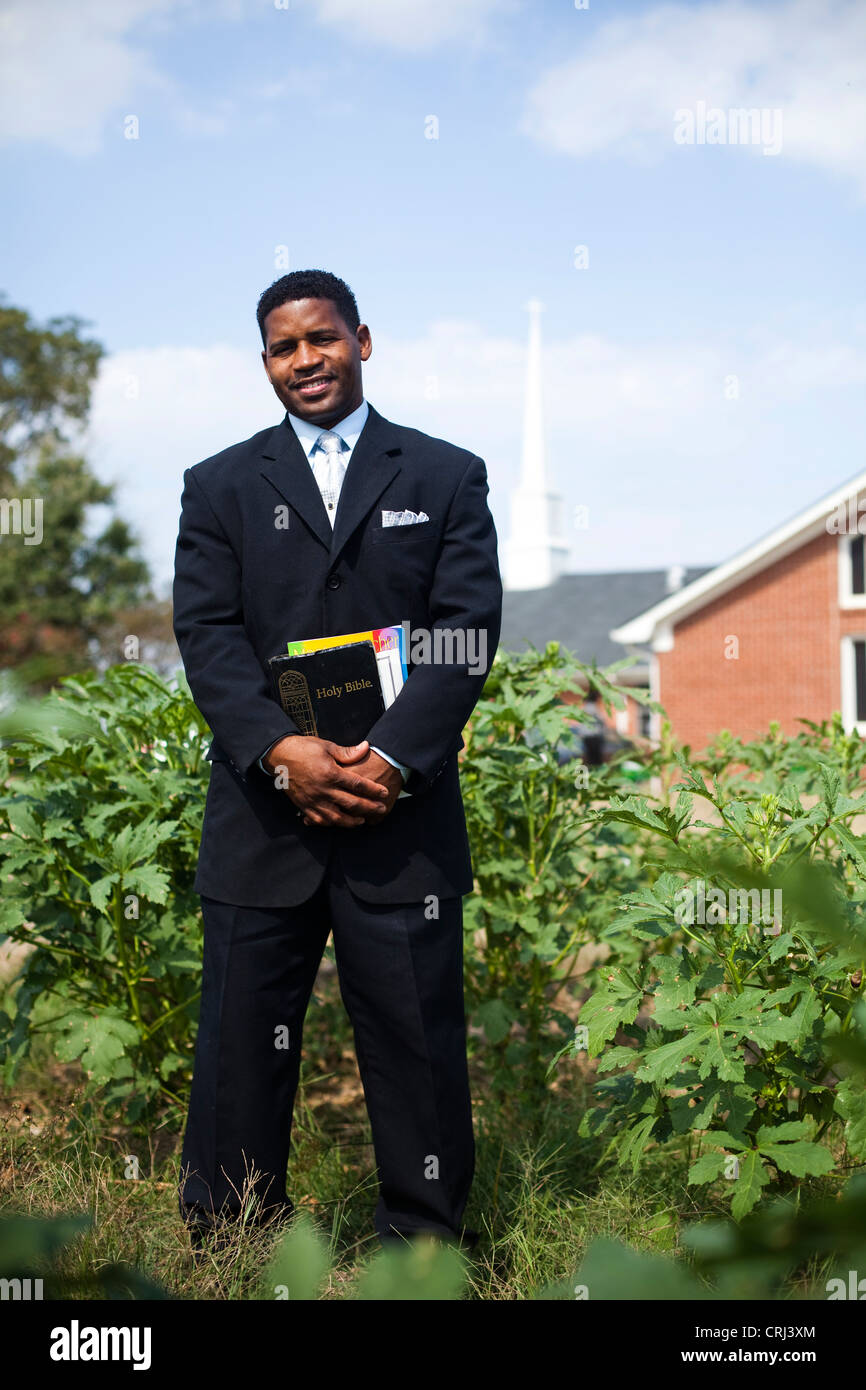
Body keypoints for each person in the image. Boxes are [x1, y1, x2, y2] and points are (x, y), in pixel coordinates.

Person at [171, 269, 503, 1251]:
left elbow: (463, 631)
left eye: (321, 338)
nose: (304, 360)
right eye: (283, 346)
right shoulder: (219, 485)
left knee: (416, 1046)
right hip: (261, 815)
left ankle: (424, 1247)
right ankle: (233, 1243)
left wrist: (391, 757)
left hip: (398, 816)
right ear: (264, 361)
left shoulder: (443, 474)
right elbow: (208, 635)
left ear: (361, 338)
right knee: (239, 1046)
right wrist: (281, 752)